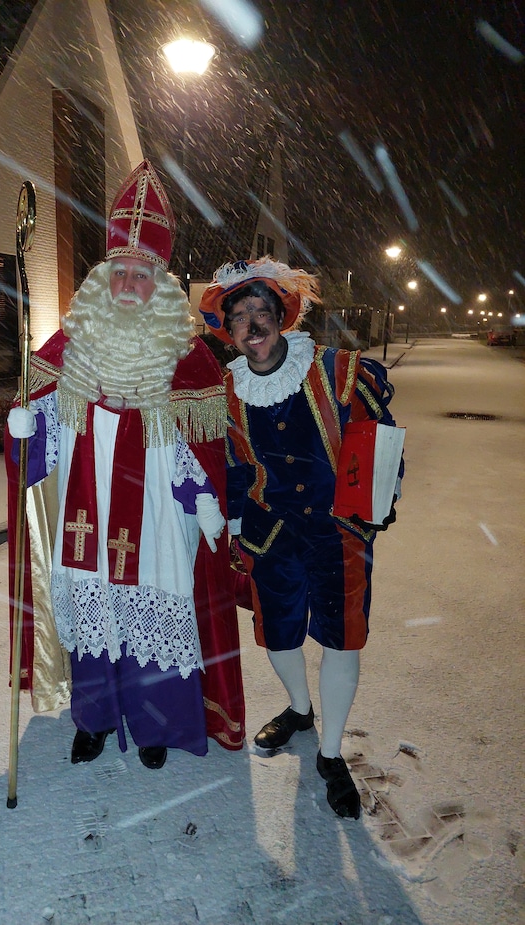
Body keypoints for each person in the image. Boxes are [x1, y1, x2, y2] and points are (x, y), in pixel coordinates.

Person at [5, 160, 245, 770]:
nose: (131, 284)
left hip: (156, 516)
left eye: (143, 274)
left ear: (161, 284)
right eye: (121, 272)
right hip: (87, 512)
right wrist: (25, 432)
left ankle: (154, 725)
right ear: (104, 278)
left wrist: (204, 500)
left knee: (148, 610)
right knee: (91, 615)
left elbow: (197, 451)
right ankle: (93, 720)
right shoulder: (70, 347)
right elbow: (44, 453)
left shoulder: (186, 358)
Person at [199, 257, 402, 818]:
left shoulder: (336, 370)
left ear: (281, 316)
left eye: (261, 310)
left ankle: (331, 755)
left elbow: (380, 443)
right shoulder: (227, 390)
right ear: (229, 331)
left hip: (336, 532)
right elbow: (236, 467)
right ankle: (298, 711)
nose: (252, 324)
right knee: (279, 636)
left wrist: (376, 507)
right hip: (270, 536)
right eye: (238, 316)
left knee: (341, 639)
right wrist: (236, 524)